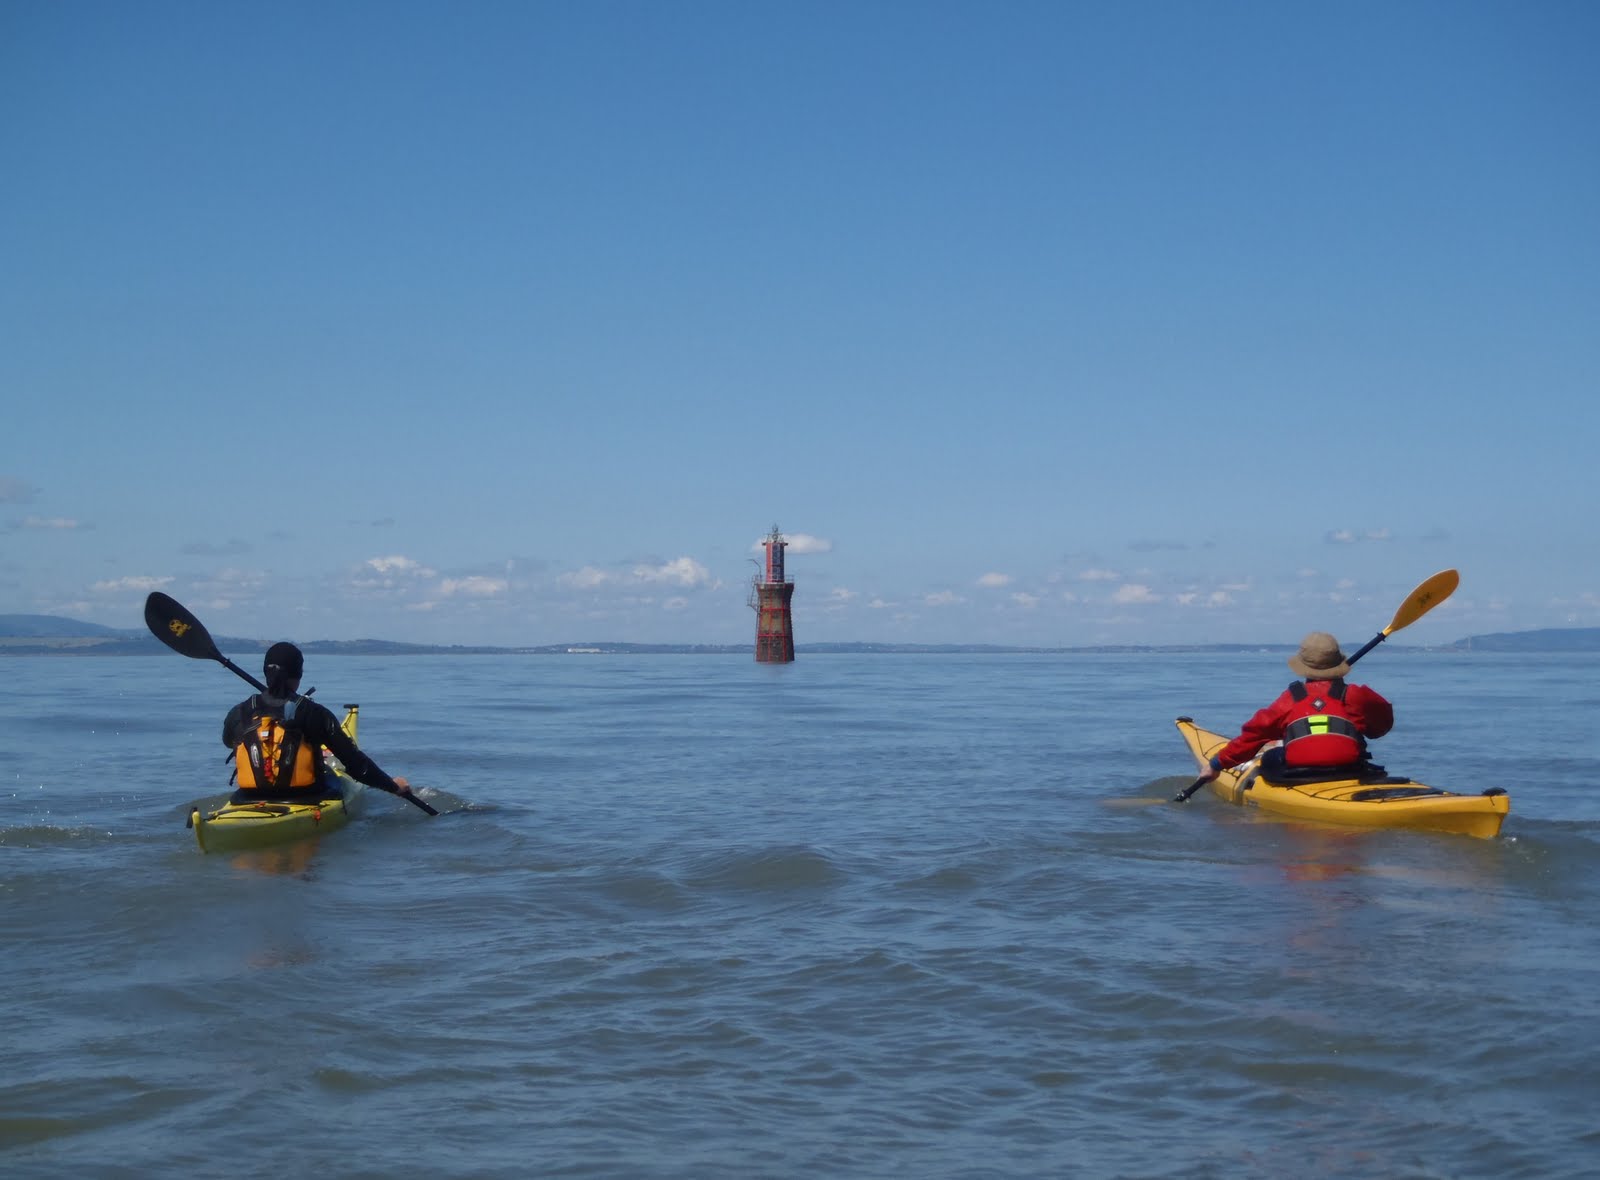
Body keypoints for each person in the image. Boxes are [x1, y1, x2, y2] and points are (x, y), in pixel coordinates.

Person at [222, 641, 415, 805]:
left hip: (247, 798)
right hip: (304, 797)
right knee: (338, 776)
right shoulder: (313, 713)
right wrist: (392, 786)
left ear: (266, 672)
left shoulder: (240, 712)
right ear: (299, 674)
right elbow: (357, 766)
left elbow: (228, 741)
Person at [1193, 631, 1395, 786]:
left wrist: (1216, 765)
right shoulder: (1356, 695)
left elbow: (1252, 738)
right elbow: (1381, 728)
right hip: (1351, 769)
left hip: (1299, 774)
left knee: (1270, 756)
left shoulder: (1290, 699)